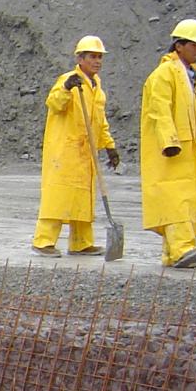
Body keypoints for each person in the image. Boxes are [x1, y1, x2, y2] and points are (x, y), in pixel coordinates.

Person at [32, 35, 120, 257]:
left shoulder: (96, 88)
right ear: (80, 58)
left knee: (83, 197)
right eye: (92, 56)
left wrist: (109, 146)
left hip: (84, 152)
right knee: (58, 196)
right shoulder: (68, 79)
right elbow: (53, 103)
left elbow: (100, 121)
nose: (97, 61)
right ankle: (43, 241)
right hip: (64, 151)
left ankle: (81, 243)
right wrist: (66, 88)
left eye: (100, 57)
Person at [139, 19, 196, 269]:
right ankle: (183, 249)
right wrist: (169, 141)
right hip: (172, 149)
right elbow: (159, 109)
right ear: (178, 45)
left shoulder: (195, 76)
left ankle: (171, 253)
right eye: (194, 45)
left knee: (184, 199)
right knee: (176, 201)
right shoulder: (164, 74)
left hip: (190, 150)